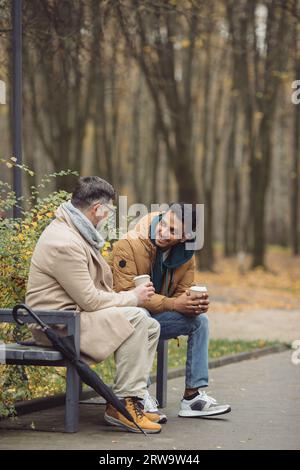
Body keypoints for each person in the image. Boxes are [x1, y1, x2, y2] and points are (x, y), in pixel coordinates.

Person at [25, 176, 162, 434]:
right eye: (108, 212)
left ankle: (131, 398)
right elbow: (90, 300)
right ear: (97, 209)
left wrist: (130, 299)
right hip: (57, 325)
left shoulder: (76, 231)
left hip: (74, 318)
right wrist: (133, 297)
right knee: (138, 317)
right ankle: (122, 406)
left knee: (151, 326)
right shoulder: (64, 241)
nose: (108, 218)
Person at [110, 203, 231, 419]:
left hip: (156, 314)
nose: (164, 232)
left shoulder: (186, 255)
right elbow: (127, 294)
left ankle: (192, 398)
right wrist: (174, 305)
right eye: (164, 224)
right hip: (124, 317)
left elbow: (182, 293)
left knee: (201, 322)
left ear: (185, 237)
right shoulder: (129, 243)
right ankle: (138, 394)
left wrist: (192, 305)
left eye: (173, 231)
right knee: (142, 316)